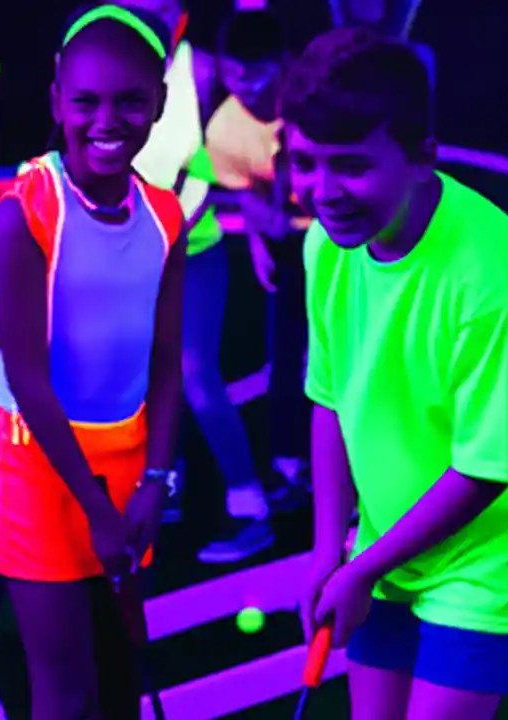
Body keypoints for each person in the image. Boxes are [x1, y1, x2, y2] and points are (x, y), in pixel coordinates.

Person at [286, 27, 508, 720]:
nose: (323, 191)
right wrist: (330, 550)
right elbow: (328, 401)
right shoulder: (327, 248)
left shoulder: (491, 285)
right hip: (389, 529)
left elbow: (485, 469)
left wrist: (361, 568)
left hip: (490, 540)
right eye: (307, 163)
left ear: (423, 159)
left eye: (352, 166)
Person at [0, 5, 185, 719]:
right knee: (64, 693)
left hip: (126, 461)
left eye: (131, 100)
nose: (108, 120)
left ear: (158, 103)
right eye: (87, 101)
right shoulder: (22, 211)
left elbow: (165, 364)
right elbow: (29, 378)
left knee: (121, 677)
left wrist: (156, 480)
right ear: (58, 102)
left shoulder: (165, 214)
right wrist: (96, 509)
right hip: (34, 463)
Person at [124, 0, 277, 563]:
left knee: (195, 377)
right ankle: (163, 494)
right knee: (140, 378)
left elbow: (215, 169)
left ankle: (250, 507)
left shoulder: (204, 71)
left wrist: (169, 228)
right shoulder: (113, 59)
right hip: (129, 252)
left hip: (194, 251)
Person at [206, 8, 312, 517]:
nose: (245, 86)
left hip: (341, 239)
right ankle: (291, 465)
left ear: (285, 63)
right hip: (289, 247)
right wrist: (258, 242)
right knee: (286, 356)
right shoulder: (225, 129)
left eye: (258, 72)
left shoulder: (316, 105)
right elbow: (247, 191)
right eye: (233, 73)